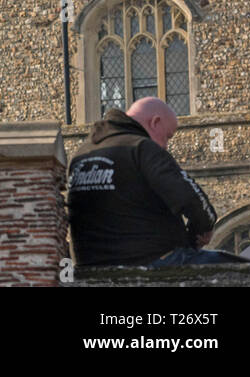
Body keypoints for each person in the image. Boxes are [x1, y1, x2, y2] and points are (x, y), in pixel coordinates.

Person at [68, 96, 221, 267]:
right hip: (150, 261)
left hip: (89, 266)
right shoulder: (142, 148)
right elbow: (192, 200)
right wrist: (199, 233)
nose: (165, 146)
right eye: (167, 137)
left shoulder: (80, 156)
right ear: (155, 123)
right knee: (247, 269)